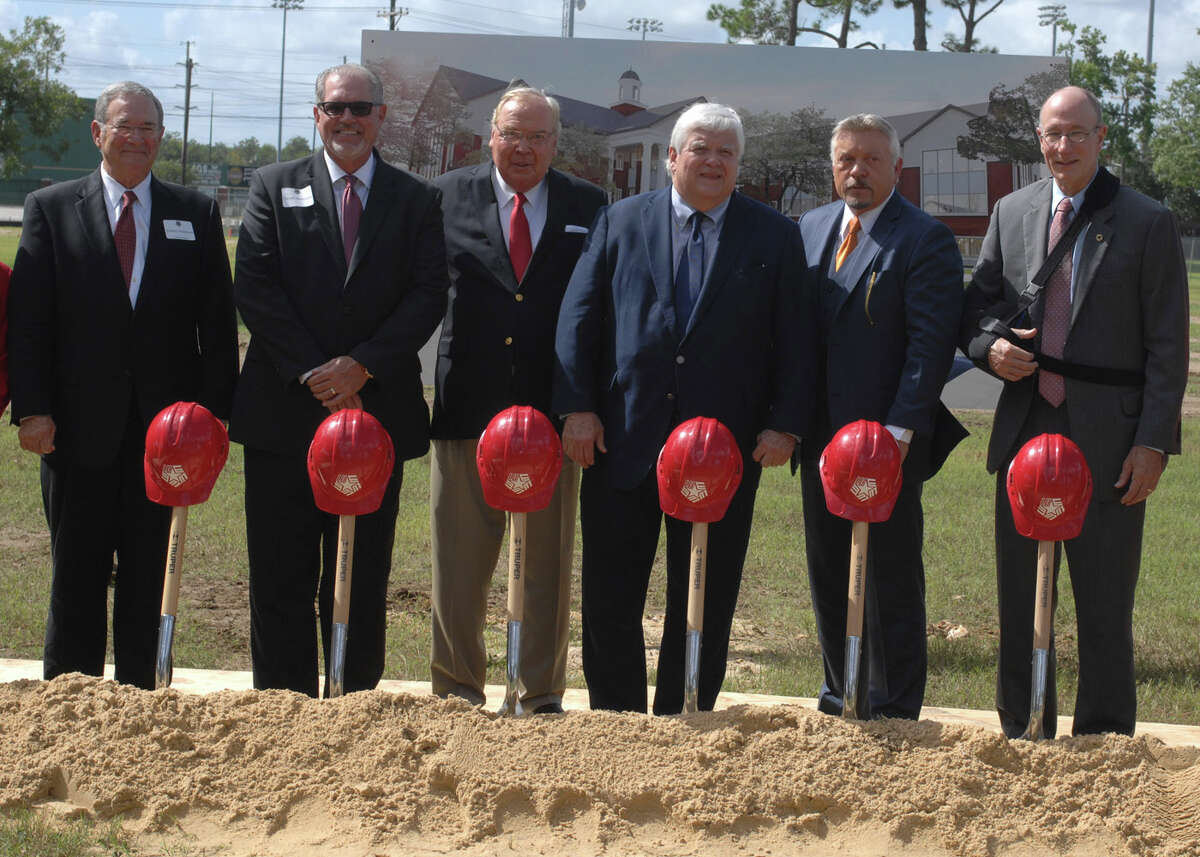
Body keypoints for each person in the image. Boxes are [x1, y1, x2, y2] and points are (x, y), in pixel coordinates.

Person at [553, 102, 817, 715]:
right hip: (622, 441)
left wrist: (785, 424)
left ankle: (686, 713)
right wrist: (577, 409)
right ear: (672, 157)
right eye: (701, 148)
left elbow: (797, 338)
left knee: (705, 593)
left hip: (723, 452)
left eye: (727, 152)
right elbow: (579, 316)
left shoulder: (774, 235)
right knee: (611, 592)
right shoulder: (619, 220)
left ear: (739, 165)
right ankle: (616, 720)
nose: (713, 161)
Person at [961, 86, 1189, 737]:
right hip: (1025, 427)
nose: (1063, 146)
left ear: (1101, 137)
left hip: (1112, 439)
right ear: (1039, 138)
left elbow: (1168, 346)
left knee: (1105, 597)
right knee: (1020, 592)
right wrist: (990, 347)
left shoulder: (1147, 220)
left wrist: (1153, 442)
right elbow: (975, 311)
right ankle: (1023, 726)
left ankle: (1104, 736)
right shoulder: (1011, 210)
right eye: (1052, 134)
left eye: (1077, 134)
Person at [7, 81, 238, 689]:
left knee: (150, 575)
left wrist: (214, 419)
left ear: (161, 136)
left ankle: (144, 702)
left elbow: (217, 325)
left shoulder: (196, 212)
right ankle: (70, 702)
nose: (136, 138)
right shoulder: (51, 208)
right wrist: (33, 409)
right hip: (74, 432)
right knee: (75, 576)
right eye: (124, 126)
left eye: (148, 128)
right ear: (98, 133)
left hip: (167, 438)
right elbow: (29, 321)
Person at [230, 63, 448, 697]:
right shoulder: (273, 185)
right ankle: (283, 705)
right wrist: (318, 374)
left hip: (375, 414)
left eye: (360, 108)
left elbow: (427, 293)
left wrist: (362, 365)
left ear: (381, 116)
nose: (347, 119)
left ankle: (353, 705)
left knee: (361, 570)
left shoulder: (417, 199)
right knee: (280, 571)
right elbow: (256, 286)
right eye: (335, 107)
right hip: (284, 414)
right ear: (317, 114)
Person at [429, 87, 607, 714]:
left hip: (551, 417)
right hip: (466, 408)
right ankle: (456, 690)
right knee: (459, 565)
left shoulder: (589, 203)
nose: (524, 148)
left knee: (545, 568)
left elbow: (596, 310)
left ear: (556, 143)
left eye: (537, 137)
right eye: (512, 134)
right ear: (491, 136)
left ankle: (539, 693)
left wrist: (581, 403)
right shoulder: (444, 196)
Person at [796, 114, 966, 721]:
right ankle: (839, 696)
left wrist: (896, 436)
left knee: (887, 578)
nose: (857, 171)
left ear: (896, 167)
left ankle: (893, 708)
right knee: (827, 571)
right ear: (832, 166)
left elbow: (930, 347)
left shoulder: (925, 238)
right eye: (846, 159)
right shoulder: (811, 227)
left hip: (884, 445)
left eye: (871, 159)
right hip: (819, 439)